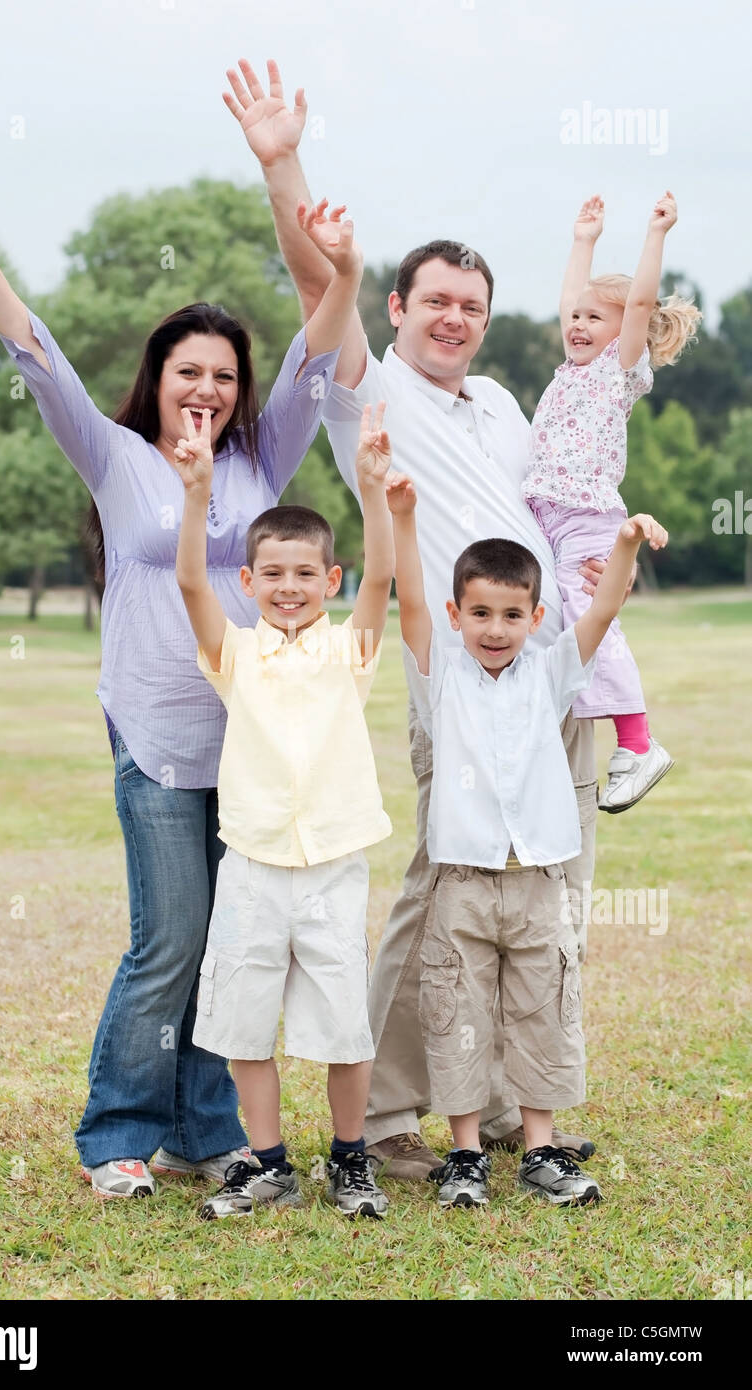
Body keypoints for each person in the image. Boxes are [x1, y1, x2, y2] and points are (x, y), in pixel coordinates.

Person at [223, 58, 614, 1176]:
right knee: (440, 887)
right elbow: (316, 284)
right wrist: (281, 162)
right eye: (434, 301)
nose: (454, 319)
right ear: (397, 309)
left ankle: (498, 1100)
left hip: (548, 670)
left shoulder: (494, 402)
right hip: (455, 669)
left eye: (472, 308)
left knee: (537, 886)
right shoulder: (368, 388)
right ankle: (390, 1113)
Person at [0, 164, 356, 1198]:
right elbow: (36, 358)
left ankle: (201, 1129)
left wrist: (344, 271)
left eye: (222, 374)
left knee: (229, 944)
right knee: (168, 939)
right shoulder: (113, 454)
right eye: (188, 372)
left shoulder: (266, 453)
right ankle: (119, 1131)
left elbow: (319, 345)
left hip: (258, 746)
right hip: (157, 733)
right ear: (159, 376)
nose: (206, 390)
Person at [387, 458, 668, 1207]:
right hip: (465, 885)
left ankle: (542, 1150)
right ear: (458, 617)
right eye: (479, 614)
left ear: (535, 619)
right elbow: (409, 599)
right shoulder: (439, 675)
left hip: (540, 880)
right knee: (457, 1014)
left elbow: (603, 613)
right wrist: (405, 518)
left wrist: (628, 543)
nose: (495, 628)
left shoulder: (550, 673)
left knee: (544, 1011)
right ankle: (467, 1155)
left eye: (512, 615)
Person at [172, 397, 394, 1219]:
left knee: (345, 1026)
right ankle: (267, 1163)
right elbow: (190, 578)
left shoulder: (351, 649)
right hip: (255, 865)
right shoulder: (234, 652)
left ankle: (349, 1159)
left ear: (326, 580)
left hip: (334, 862)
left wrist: (372, 489)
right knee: (242, 1023)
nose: (290, 586)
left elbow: (382, 576)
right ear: (251, 582)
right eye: (274, 573)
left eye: (306, 573)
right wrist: (196, 494)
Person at [523, 191, 701, 813]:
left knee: (595, 616)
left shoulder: (616, 370)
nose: (577, 325)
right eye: (574, 318)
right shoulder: (568, 371)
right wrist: (583, 241)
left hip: (589, 516)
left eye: (595, 320)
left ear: (623, 334)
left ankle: (637, 741)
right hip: (548, 518)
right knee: (557, 615)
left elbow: (641, 304)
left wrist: (655, 234)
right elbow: (574, 298)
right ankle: (565, 729)